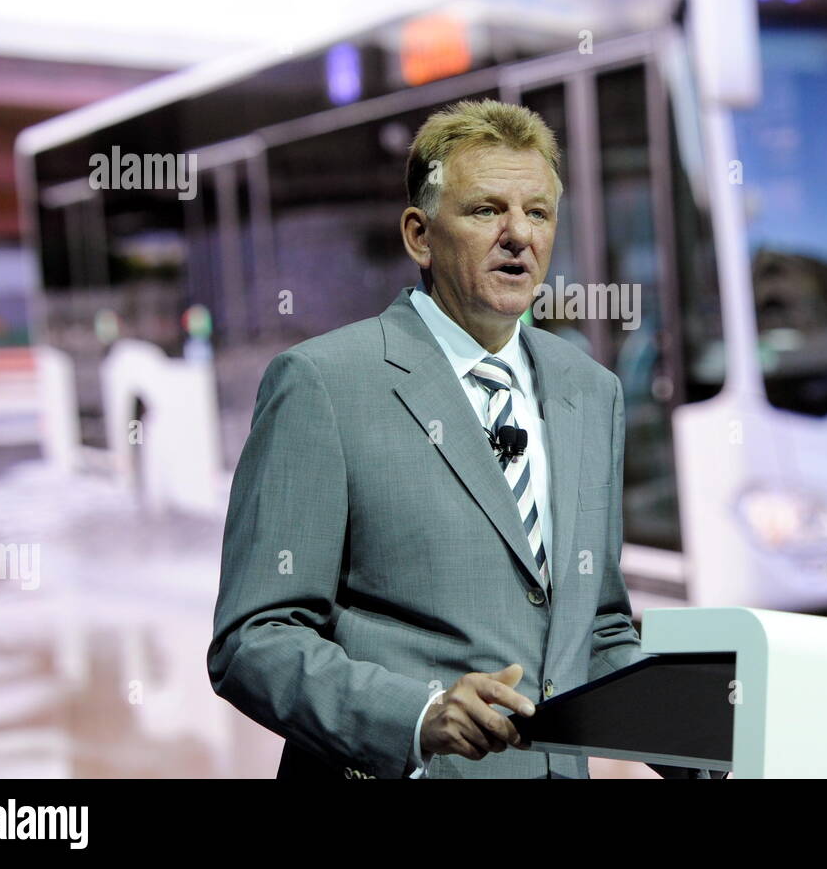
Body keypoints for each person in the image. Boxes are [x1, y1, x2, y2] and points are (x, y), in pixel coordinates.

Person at [207, 99, 714, 778]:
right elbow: (253, 640)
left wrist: (697, 736)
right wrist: (416, 716)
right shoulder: (322, 385)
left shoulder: (591, 391)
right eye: (485, 211)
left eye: (537, 212)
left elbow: (597, 628)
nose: (518, 235)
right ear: (420, 235)